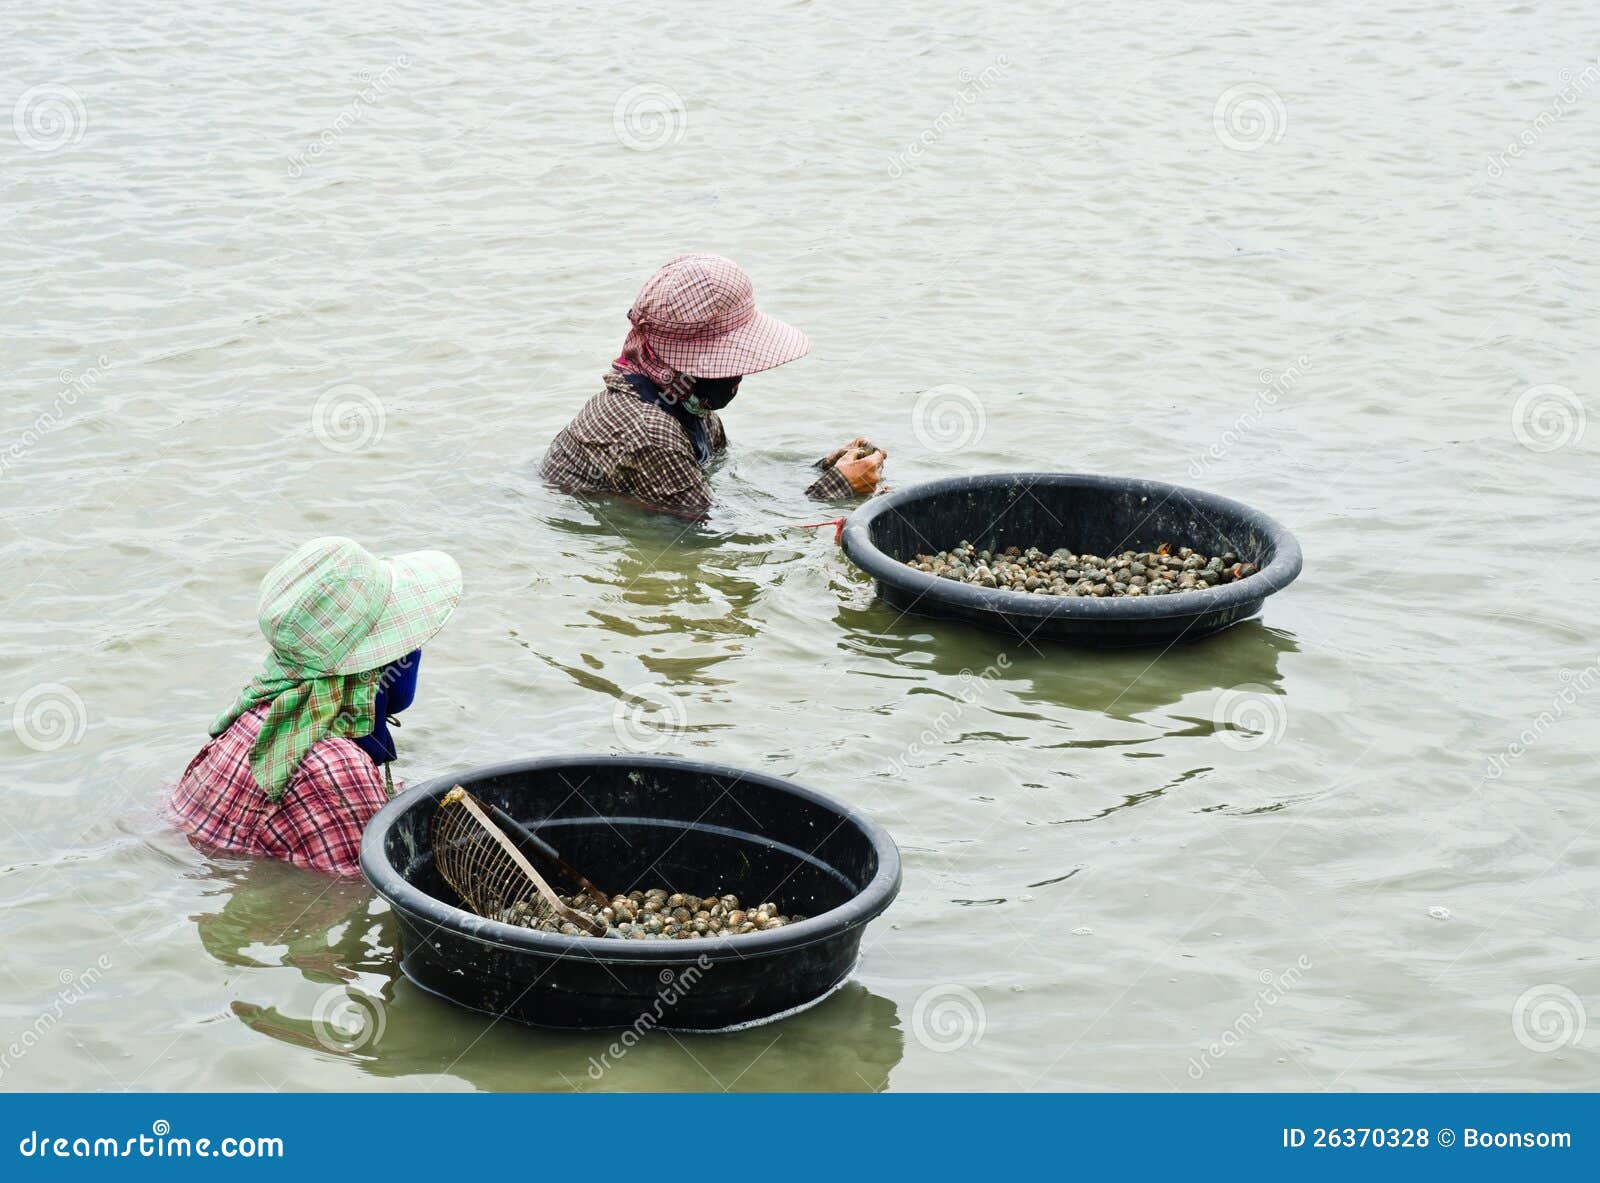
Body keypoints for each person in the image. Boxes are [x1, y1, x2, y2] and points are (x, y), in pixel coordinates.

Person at [170, 537, 462, 877]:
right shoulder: (339, 769)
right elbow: (370, 888)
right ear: (375, 672)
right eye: (411, 646)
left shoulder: (254, 715)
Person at [540, 253, 887, 516]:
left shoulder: (684, 400)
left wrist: (825, 469)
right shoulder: (652, 431)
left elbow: (729, 473)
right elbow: (710, 534)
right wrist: (836, 489)